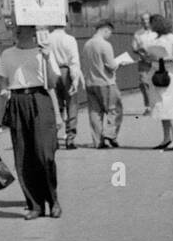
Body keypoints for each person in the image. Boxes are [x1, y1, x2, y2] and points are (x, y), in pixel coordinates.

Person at [0, 25, 62, 219]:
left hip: (39, 99)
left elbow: (52, 83)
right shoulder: (7, 54)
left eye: (22, 28)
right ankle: (34, 205)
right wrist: (3, 92)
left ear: (32, 31)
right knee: (23, 155)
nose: (17, 31)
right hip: (17, 101)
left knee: (44, 153)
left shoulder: (43, 53)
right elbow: (0, 81)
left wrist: (48, 58)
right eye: (16, 27)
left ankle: (53, 200)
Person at [81, 21, 122, 149]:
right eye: (110, 32)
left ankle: (98, 141)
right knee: (115, 109)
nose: (110, 35)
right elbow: (111, 65)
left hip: (91, 82)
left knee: (95, 112)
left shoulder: (87, 45)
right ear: (106, 30)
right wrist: (119, 63)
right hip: (106, 82)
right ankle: (110, 134)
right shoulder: (105, 45)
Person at [148, 14, 173, 150]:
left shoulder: (171, 38)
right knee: (161, 106)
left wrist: (162, 59)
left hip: (169, 76)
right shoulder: (156, 39)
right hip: (158, 74)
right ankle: (166, 138)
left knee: (170, 105)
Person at [46, 22, 82, 148]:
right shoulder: (69, 39)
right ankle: (70, 138)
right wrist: (75, 79)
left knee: (56, 105)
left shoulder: (48, 38)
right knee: (71, 104)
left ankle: (54, 137)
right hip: (66, 71)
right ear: (65, 23)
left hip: (51, 71)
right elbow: (74, 60)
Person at [132, 13, 158, 115]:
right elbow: (134, 47)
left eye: (147, 19)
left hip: (155, 61)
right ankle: (148, 107)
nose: (145, 22)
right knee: (144, 83)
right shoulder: (137, 34)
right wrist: (139, 50)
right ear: (141, 21)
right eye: (143, 20)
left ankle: (157, 104)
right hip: (143, 61)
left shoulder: (156, 32)